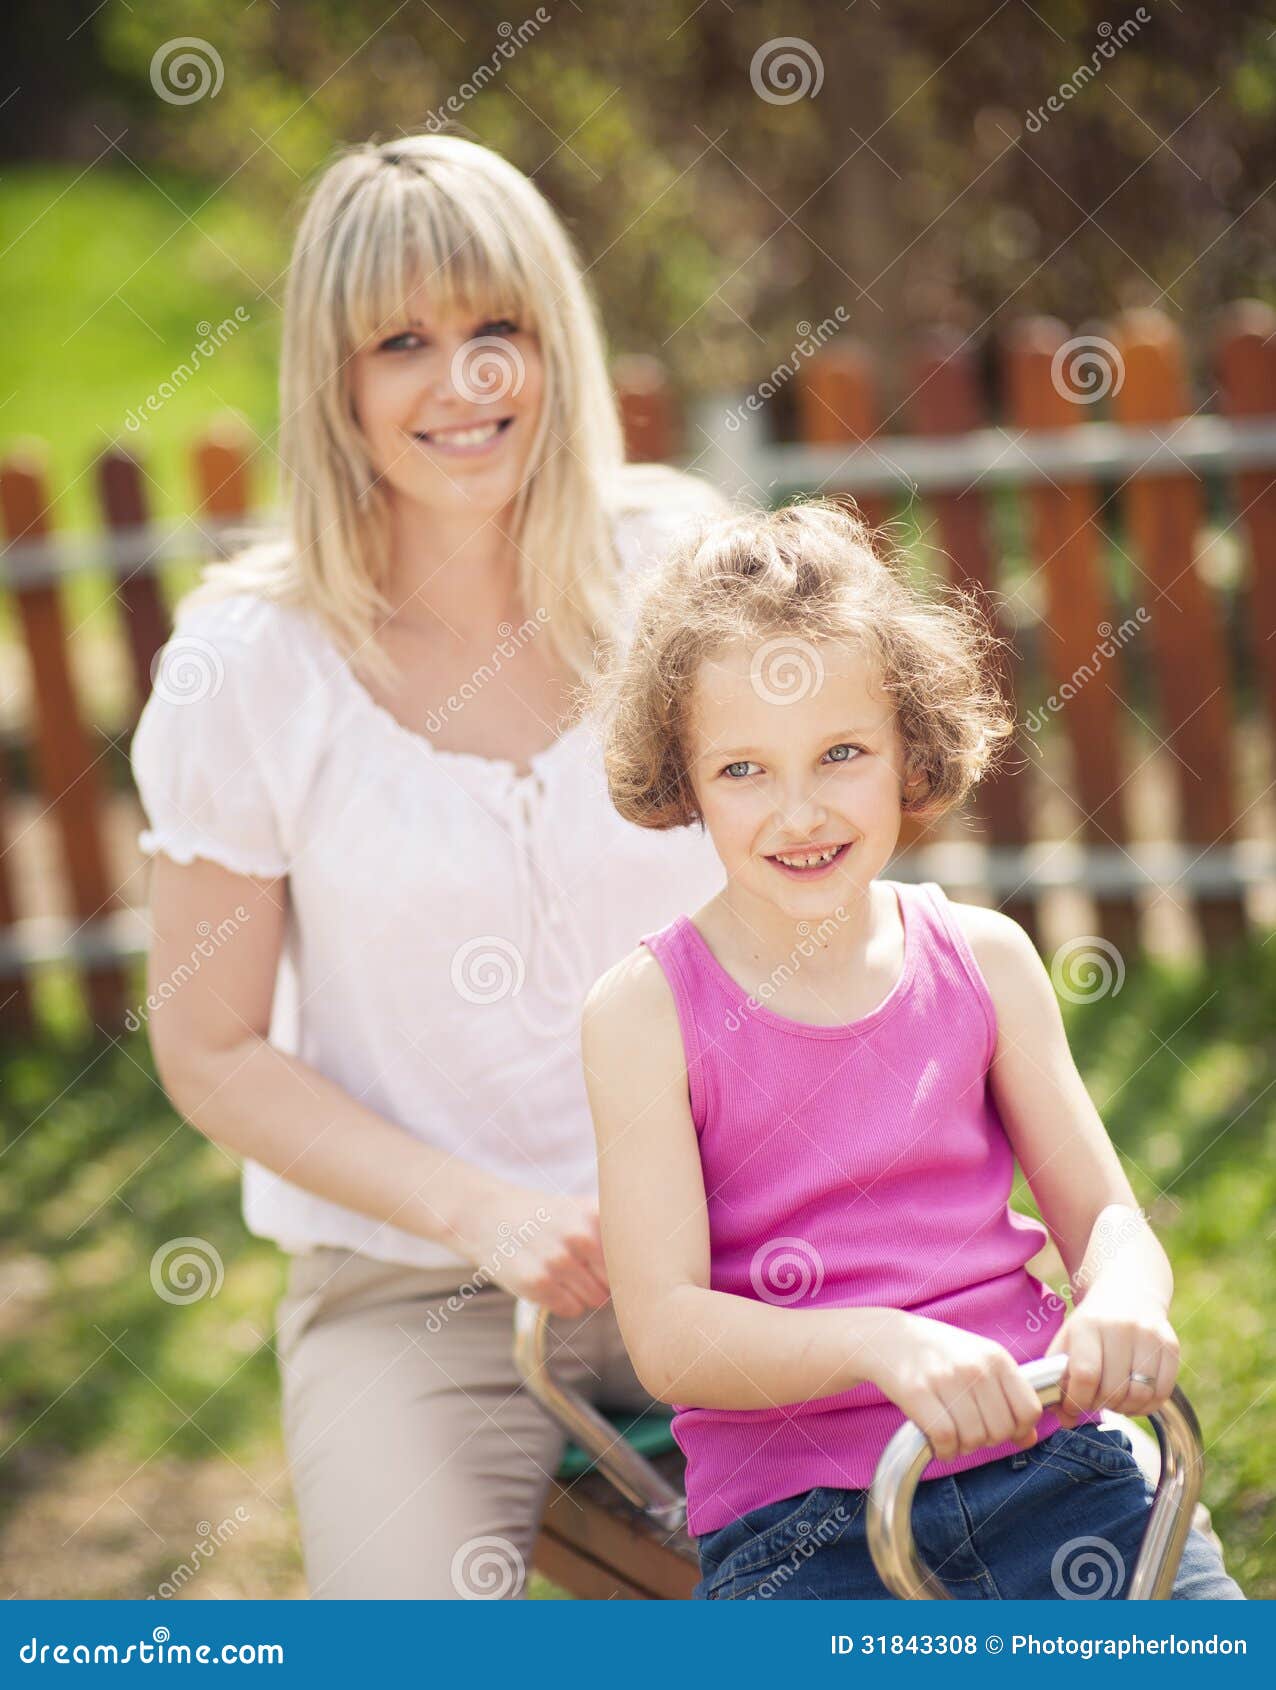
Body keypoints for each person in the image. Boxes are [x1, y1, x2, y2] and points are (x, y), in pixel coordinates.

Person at [129, 132, 728, 1600]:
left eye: (495, 330)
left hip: (735, 1243)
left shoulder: (684, 565)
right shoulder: (245, 664)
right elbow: (207, 1045)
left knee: (905, 1574)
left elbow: (823, 900)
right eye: (402, 341)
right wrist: (484, 1210)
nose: (461, 383)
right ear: (332, 380)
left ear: (554, 339)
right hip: (416, 1297)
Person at [581, 497, 1246, 1599]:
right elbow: (667, 1333)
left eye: (840, 753)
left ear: (908, 749)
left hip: (1051, 1464)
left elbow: (1108, 1220)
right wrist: (879, 1344)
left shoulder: (981, 956)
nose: (799, 812)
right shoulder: (644, 1010)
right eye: (743, 770)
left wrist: (1125, 1293)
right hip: (806, 1529)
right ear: (682, 777)